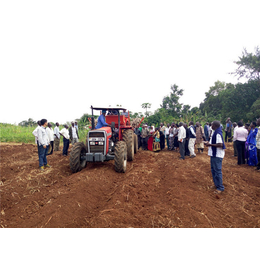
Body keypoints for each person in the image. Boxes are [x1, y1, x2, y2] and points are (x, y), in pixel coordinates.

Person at [205, 121, 226, 194]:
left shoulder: (217, 133)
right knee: (213, 170)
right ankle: (216, 185)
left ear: (215, 125)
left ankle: (220, 187)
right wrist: (209, 143)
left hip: (217, 155)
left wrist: (210, 145)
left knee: (217, 171)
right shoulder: (215, 132)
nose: (211, 125)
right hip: (214, 154)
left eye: (212, 124)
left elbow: (220, 144)